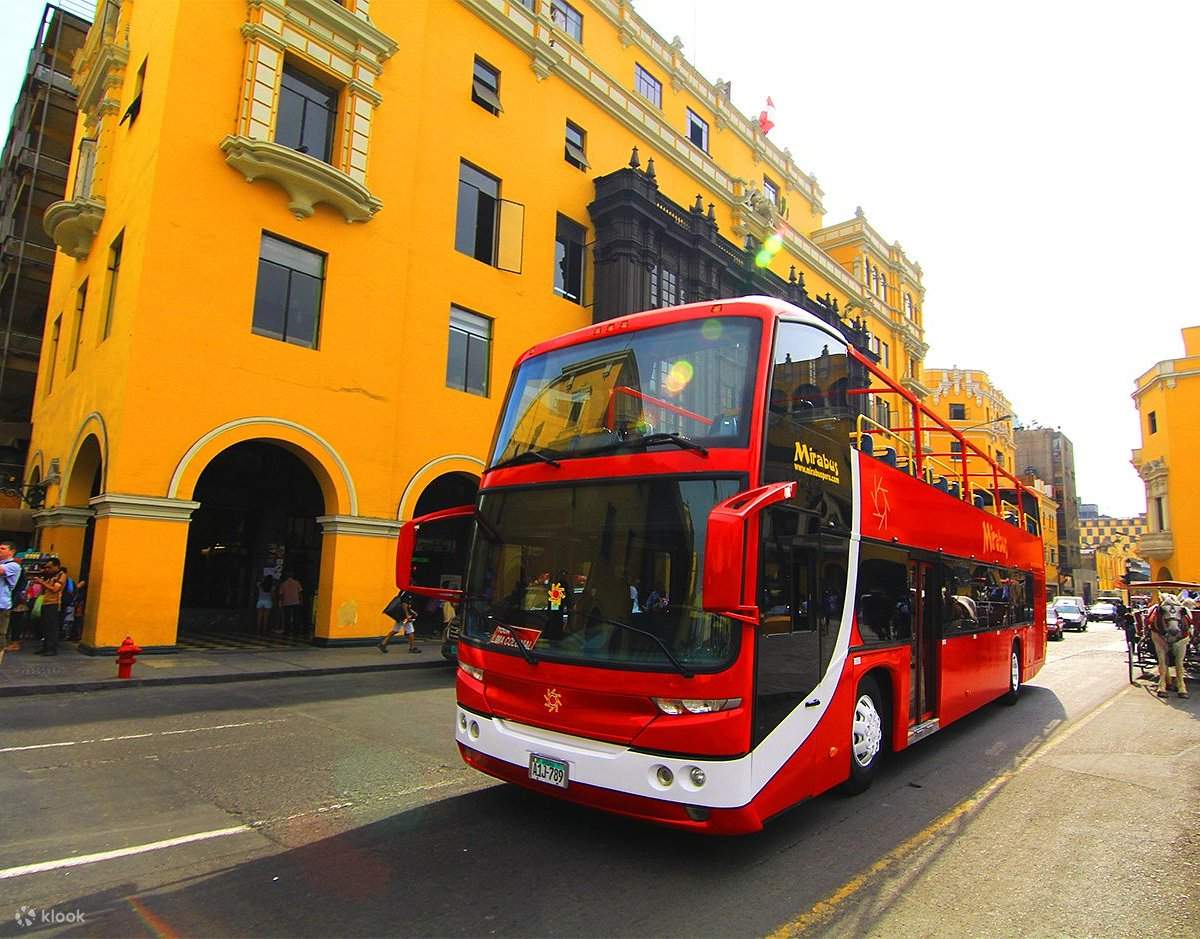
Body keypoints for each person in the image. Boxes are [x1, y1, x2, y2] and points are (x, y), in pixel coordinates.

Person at [34, 557, 67, 656]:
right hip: (46, 602)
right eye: (46, 567)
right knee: (45, 626)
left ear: (57, 567)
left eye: (50, 567)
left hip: (54, 603)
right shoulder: (50, 576)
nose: (47, 569)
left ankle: (51, 648)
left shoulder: (61, 575)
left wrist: (41, 582)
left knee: (51, 627)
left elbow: (55, 589)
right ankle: (45, 647)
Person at [0, 541, 21, 664]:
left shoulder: (13, 566)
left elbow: (1, 571)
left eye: (2, 548)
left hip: (1, 605)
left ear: (11, 551)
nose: (0, 550)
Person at [278, 572, 304, 637]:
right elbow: (300, 592)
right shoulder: (297, 583)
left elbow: (281, 594)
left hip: (287, 602)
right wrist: (301, 600)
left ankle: (287, 631)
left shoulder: (283, 584)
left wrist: (281, 602)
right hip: (296, 602)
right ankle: (296, 631)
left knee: (287, 617)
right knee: (296, 617)